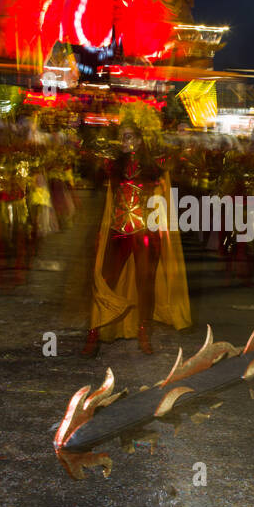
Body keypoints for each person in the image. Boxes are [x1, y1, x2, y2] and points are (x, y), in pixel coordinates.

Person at [80, 109, 190, 357]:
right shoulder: (113, 165)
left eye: (130, 136)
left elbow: (176, 168)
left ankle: (143, 333)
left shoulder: (155, 165)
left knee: (145, 284)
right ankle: (94, 334)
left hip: (145, 232)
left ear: (140, 140)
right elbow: (90, 166)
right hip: (118, 231)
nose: (125, 141)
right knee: (104, 281)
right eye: (122, 137)